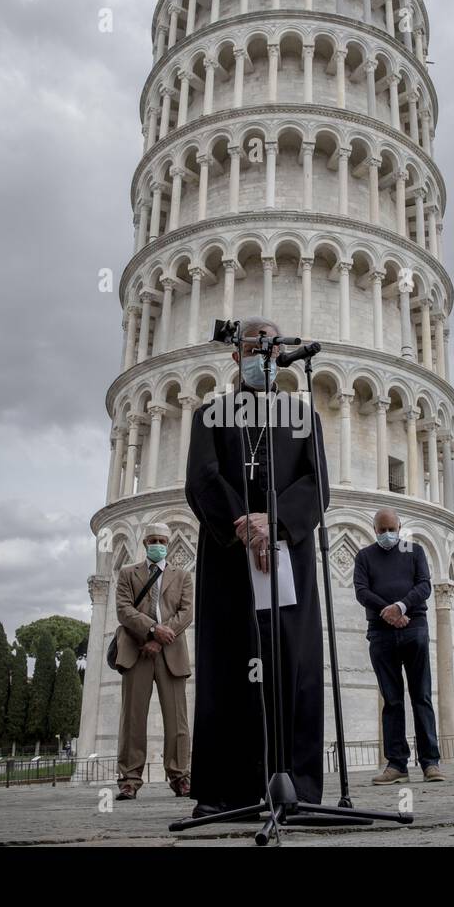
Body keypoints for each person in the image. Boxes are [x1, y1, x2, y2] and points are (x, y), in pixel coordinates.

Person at [184, 316, 329, 818]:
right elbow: (201, 480)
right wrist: (244, 526)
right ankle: (224, 790)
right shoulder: (209, 415)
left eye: (269, 350)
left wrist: (278, 522)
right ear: (235, 356)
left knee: (294, 665)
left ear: (279, 356)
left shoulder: (301, 415)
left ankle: (298, 789)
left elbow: (318, 485)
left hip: (290, 556)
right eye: (252, 348)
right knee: (229, 665)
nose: (261, 358)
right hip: (228, 561)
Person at [353, 508, 444, 783]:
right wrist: (388, 611)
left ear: (400, 526)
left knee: (422, 696)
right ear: (374, 530)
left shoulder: (414, 551)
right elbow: (361, 591)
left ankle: (430, 763)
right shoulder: (365, 556)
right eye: (382, 530)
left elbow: (424, 585)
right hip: (381, 632)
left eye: (391, 529)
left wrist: (401, 606)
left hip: (414, 626)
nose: (387, 534)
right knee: (392, 699)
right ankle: (396, 764)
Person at [113, 521, 194, 800]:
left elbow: (186, 613)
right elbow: (123, 610)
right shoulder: (127, 574)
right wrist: (150, 630)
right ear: (145, 543)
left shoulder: (182, 576)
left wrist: (159, 638)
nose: (158, 544)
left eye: (162, 540)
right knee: (133, 718)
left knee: (177, 719)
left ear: (167, 543)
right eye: (153, 540)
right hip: (136, 651)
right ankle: (129, 779)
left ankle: (180, 775)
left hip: (169, 652)